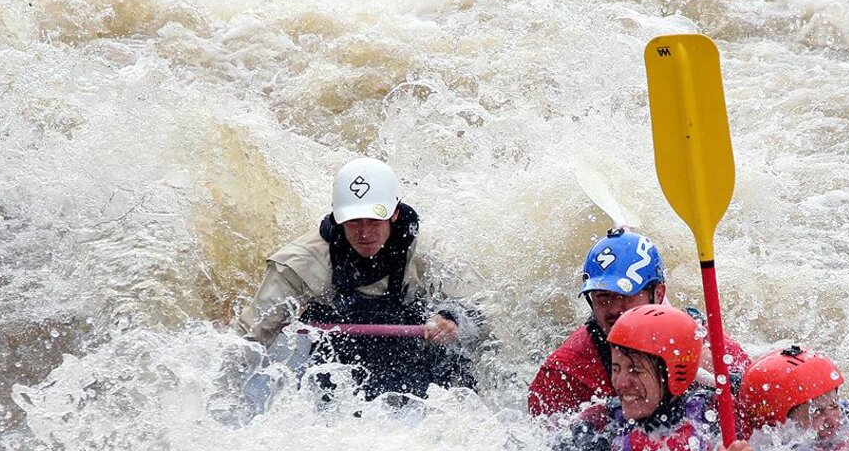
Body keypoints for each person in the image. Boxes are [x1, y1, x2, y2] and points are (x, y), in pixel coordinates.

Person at [235, 157, 481, 400]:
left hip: (415, 348)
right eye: (353, 221)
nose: (364, 233)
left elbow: (477, 309)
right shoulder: (300, 263)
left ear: (394, 214)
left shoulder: (429, 251)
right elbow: (249, 338)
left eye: (374, 220)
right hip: (339, 359)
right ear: (338, 218)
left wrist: (452, 320)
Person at [528, 228, 751, 417]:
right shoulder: (564, 373)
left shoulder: (710, 348)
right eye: (603, 298)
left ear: (659, 293)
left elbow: (763, 406)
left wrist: (725, 380)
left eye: (625, 295)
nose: (615, 309)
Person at [564, 304, 752, 451]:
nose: (621, 383)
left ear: (672, 374)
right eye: (616, 368)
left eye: (635, 370)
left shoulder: (712, 416)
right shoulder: (599, 428)